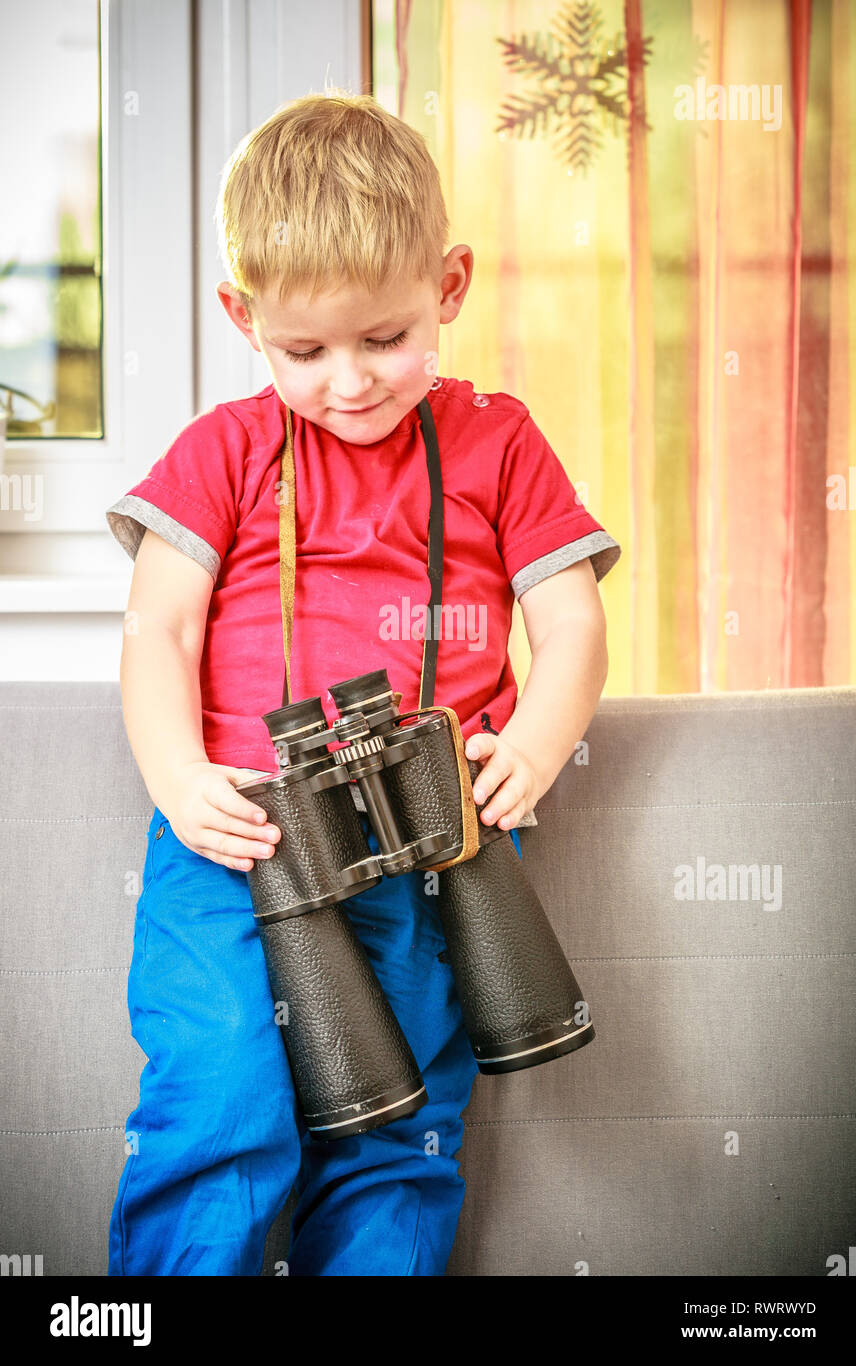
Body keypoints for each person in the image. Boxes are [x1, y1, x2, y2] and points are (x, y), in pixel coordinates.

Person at [104, 89, 621, 1276]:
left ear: (447, 287)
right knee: (218, 1096)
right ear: (242, 316)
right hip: (239, 837)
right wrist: (182, 781)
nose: (349, 381)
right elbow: (157, 632)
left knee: (401, 1127)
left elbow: (570, 620)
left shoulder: (495, 438)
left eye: (384, 338)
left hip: (432, 838)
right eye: (304, 350)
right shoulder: (223, 452)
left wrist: (531, 751)